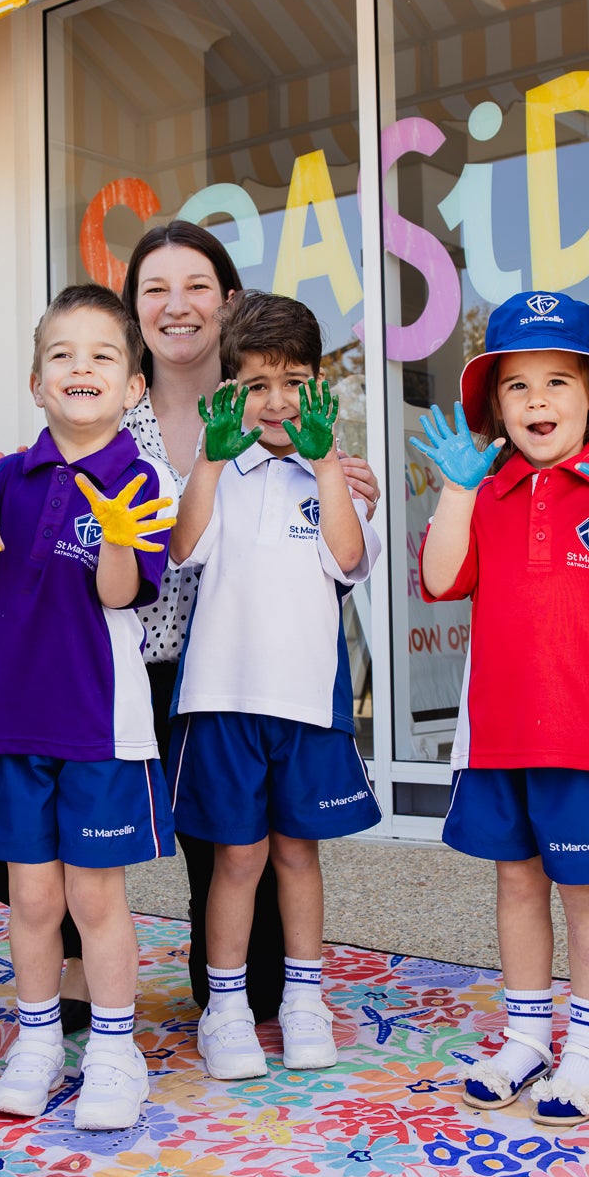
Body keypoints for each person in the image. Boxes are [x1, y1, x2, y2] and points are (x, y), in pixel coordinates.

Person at [0, 221, 383, 1021]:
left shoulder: (276, 412)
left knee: (248, 967)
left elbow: (326, 565)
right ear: (134, 314)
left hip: (221, 686)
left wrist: (338, 487)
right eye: (154, 289)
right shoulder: (106, 415)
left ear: (228, 302)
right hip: (112, 674)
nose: (176, 306)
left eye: (196, 288)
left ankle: (222, 968)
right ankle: (79, 944)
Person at [410, 290, 589, 1127]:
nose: (538, 400)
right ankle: (531, 1033)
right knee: (515, 883)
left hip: (586, 739)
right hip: (497, 737)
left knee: (585, 891)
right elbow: (437, 579)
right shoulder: (483, 485)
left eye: (559, 381)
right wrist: (457, 494)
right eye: (517, 385)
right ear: (495, 405)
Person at [0, 283, 177, 1132]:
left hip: (98, 727)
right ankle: (36, 1040)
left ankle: (113, 1047)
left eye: (104, 355)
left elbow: (121, 593)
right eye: (62, 355)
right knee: (30, 900)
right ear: (37, 381)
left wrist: (113, 531)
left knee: (96, 900)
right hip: (7, 724)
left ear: (133, 387)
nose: (82, 368)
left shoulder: (141, 484)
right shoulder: (2, 476)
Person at [168, 291, 383, 1078]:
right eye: (257, 382)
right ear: (229, 389)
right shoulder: (217, 470)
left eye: (294, 380)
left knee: (298, 856)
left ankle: (302, 999)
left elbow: (349, 560)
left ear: (321, 385)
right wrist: (210, 460)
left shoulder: (341, 476)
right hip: (221, 701)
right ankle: (225, 1008)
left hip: (306, 703)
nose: (276, 400)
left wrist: (328, 466)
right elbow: (182, 551)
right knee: (237, 859)